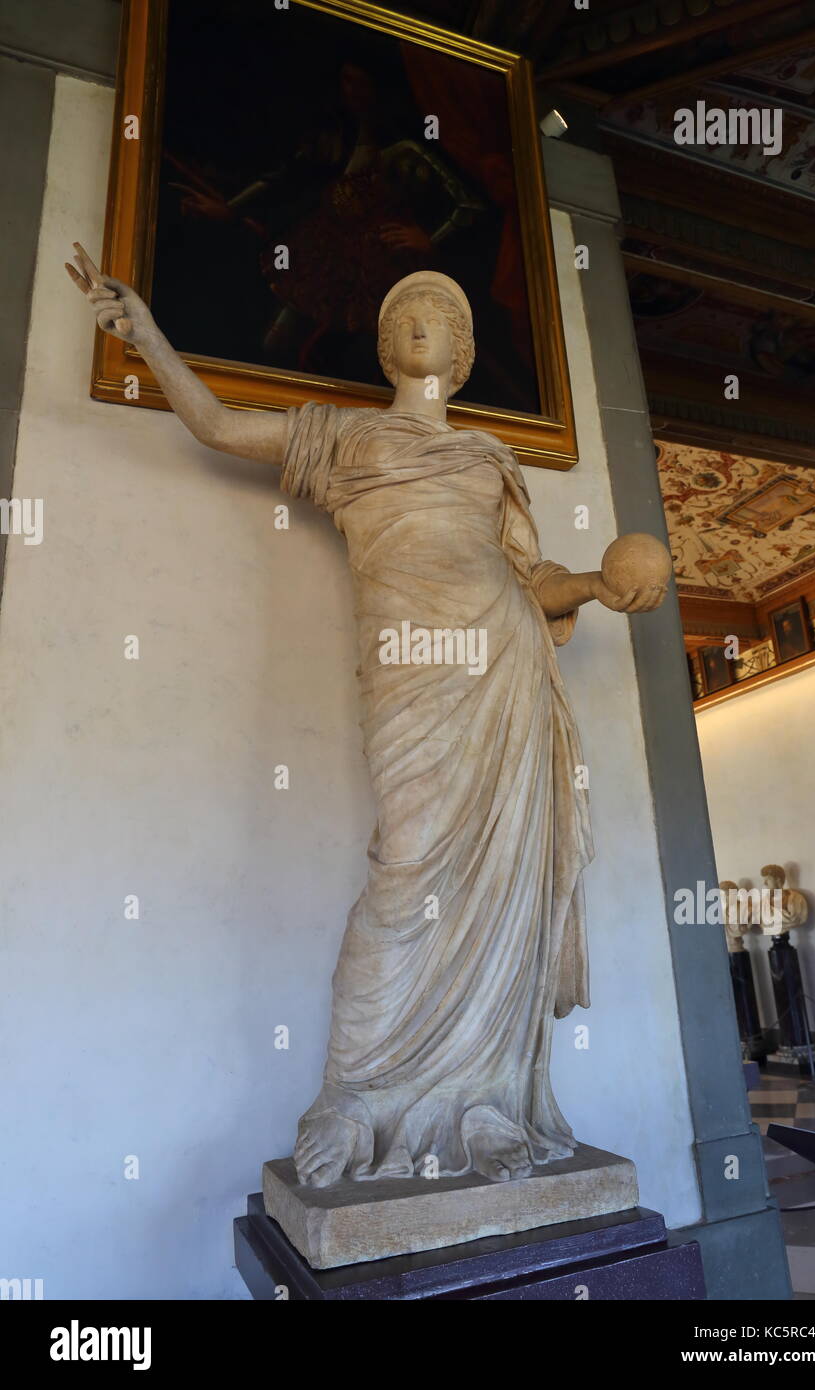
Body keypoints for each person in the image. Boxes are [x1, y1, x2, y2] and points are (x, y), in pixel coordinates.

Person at [67, 246, 667, 1186]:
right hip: (411, 664)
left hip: (501, 659)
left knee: (495, 879)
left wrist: (599, 584)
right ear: (386, 345)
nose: (421, 320)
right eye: (406, 312)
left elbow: (530, 578)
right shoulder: (346, 438)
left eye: (441, 312)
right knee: (411, 864)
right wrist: (150, 340)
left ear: (462, 352)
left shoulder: (489, 458)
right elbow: (222, 426)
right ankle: (356, 1097)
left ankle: (483, 1102)